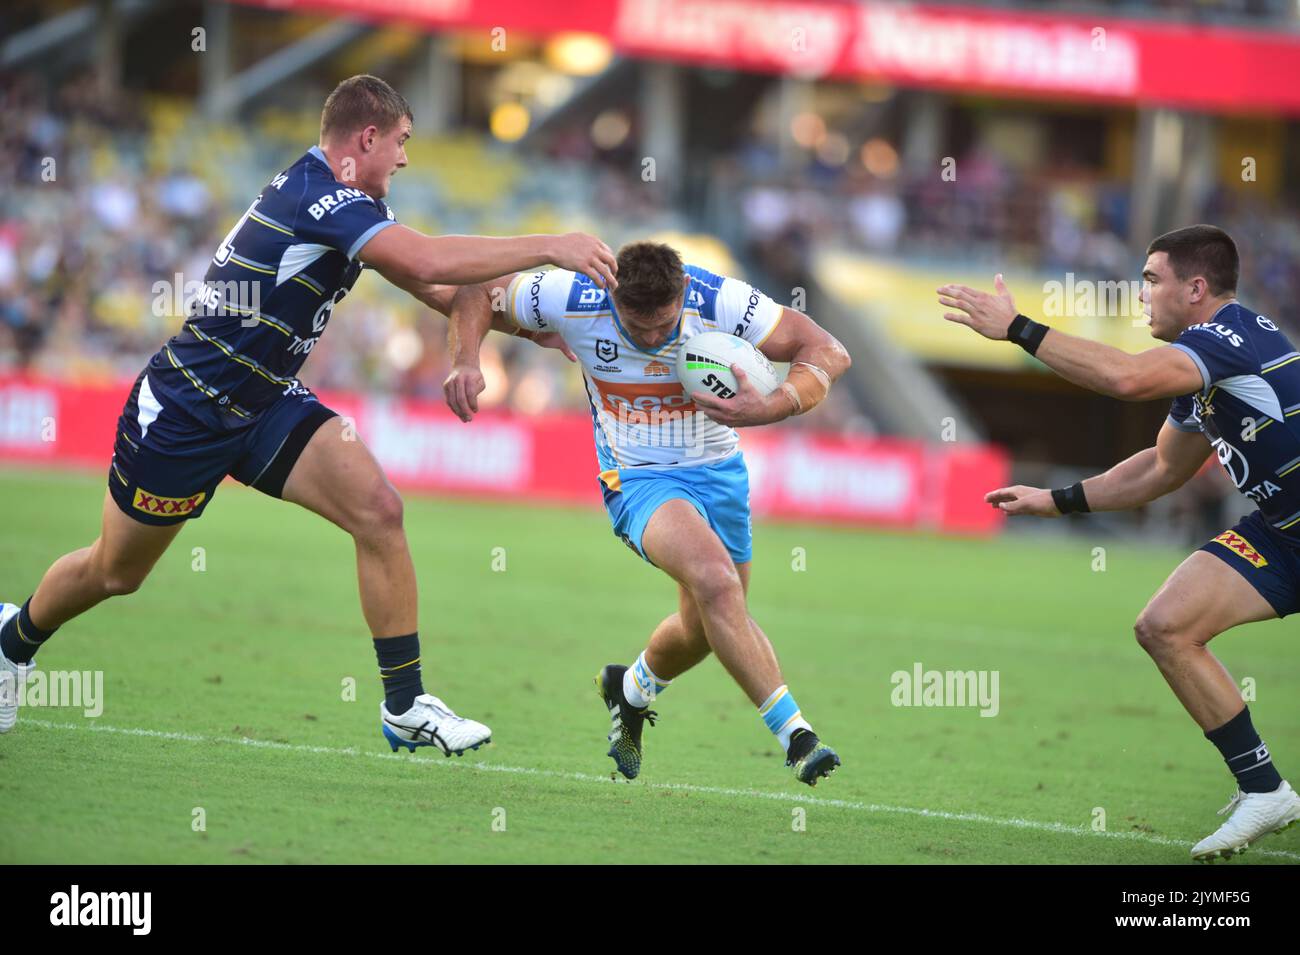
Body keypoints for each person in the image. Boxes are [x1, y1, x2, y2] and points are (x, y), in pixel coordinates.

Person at [0, 74, 618, 757]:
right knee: (116, 572)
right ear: (368, 137)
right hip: (187, 406)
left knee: (379, 511)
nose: (406, 159)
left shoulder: (343, 202)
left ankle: (405, 705)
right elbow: (430, 257)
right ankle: (12, 640)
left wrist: (506, 340)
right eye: (403, 142)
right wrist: (551, 242)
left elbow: (446, 285)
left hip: (265, 401)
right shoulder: (322, 198)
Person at [938, 224, 1300, 860]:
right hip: (1282, 535)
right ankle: (1264, 789)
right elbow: (1162, 469)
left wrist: (1019, 329)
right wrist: (1056, 501)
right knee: (1165, 624)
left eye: (1152, 280)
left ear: (1196, 288)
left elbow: (1127, 379)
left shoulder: (1226, 339)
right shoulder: (1200, 372)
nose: (1142, 295)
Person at [443, 241, 852, 785]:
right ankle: (797, 736)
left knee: (705, 626)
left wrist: (770, 406)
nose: (654, 339)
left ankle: (629, 690)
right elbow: (476, 291)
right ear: (611, 295)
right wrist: (467, 360)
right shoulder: (575, 296)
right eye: (637, 326)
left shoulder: (718, 299)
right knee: (717, 584)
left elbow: (827, 352)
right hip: (637, 478)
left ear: (683, 294)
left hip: (721, 473)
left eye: (663, 325)